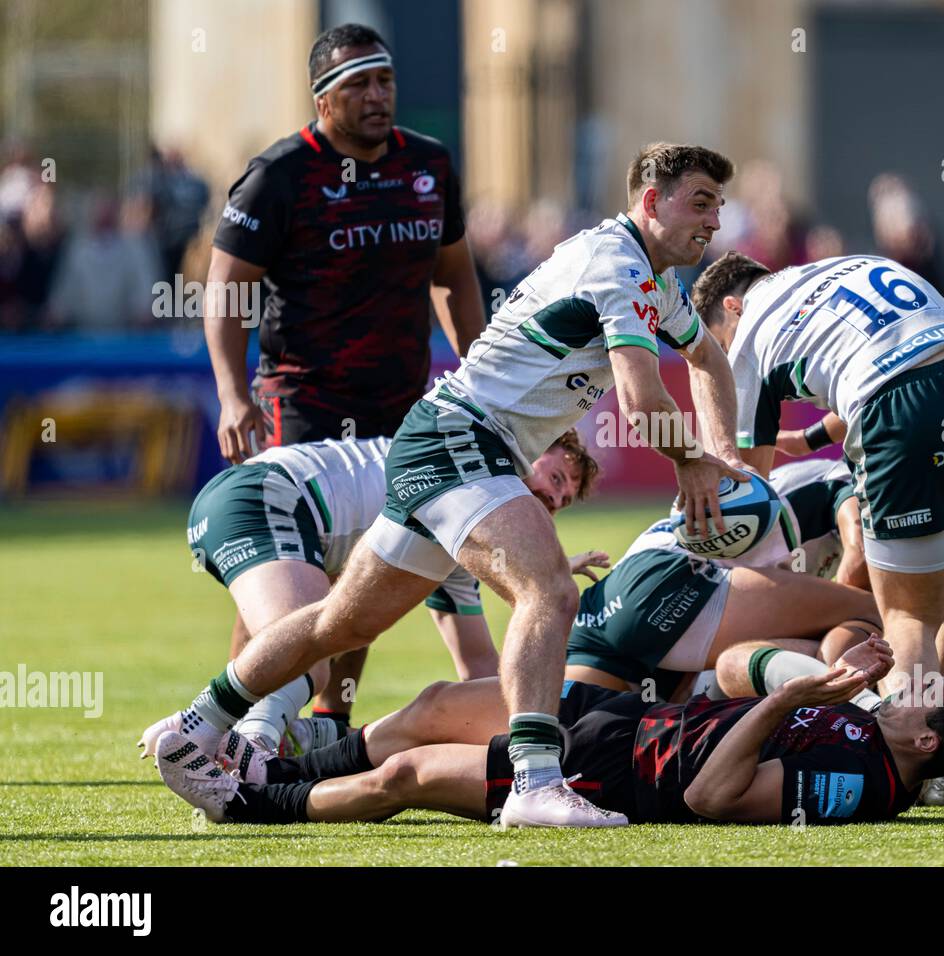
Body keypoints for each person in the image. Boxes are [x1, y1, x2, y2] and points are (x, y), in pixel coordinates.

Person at [151, 142, 750, 828]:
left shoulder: (656, 282)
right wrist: (692, 462)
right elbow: (642, 404)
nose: (713, 223)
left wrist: (724, 453)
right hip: (461, 437)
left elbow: (706, 356)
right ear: (651, 202)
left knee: (338, 625)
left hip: (442, 437)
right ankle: (535, 783)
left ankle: (193, 729)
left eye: (719, 208)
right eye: (700, 203)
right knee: (548, 589)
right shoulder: (617, 265)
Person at [691, 250, 944, 806]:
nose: (721, 356)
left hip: (899, 408)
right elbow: (907, 353)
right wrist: (816, 438)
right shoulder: (846, 265)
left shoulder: (747, 337)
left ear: (732, 307)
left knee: (909, 613)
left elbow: (751, 485)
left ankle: (923, 767)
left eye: (717, 342)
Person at [138, 430, 601, 759]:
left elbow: (479, 669)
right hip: (262, 496)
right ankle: (227, 744)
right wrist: (542, 579)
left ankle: (254, 739)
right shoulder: (458, 476)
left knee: (312, 646)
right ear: (531, 448)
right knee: (310, 658)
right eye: (555, 478)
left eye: (561, 502)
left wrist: (546, 727)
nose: (550, 500)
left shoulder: (464, 538)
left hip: (265, 504)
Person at [156, 649, 944, 827]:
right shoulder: (868, 726)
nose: (910, 693)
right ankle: (277, 761)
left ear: (927, 742)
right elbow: (735, 664)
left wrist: (788, 702)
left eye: (922, 698)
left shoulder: (860, 787)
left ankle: (245, 806)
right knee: (434, 702)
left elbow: (713, 796)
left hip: (617, 777)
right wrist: (802, 673)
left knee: (409, 776)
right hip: (622, 722)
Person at [205, 22, 485, 464]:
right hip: (303, 409)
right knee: (316, 534)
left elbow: (452, 277)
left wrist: (482, 377)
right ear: (323, 101)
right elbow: (227, 288)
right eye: (357, 84)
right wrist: (232, 396)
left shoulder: (429, 164)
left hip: (404, 408)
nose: (376, 95)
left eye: (384, 81)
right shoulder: (277, 177)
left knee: (407, 535)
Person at [564, 457, 880, 699]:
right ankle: (869, 718)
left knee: (584, 742)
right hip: (670, 578)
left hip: (604, 612)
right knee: (880, 613)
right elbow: (861, 557)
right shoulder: (845, 481)